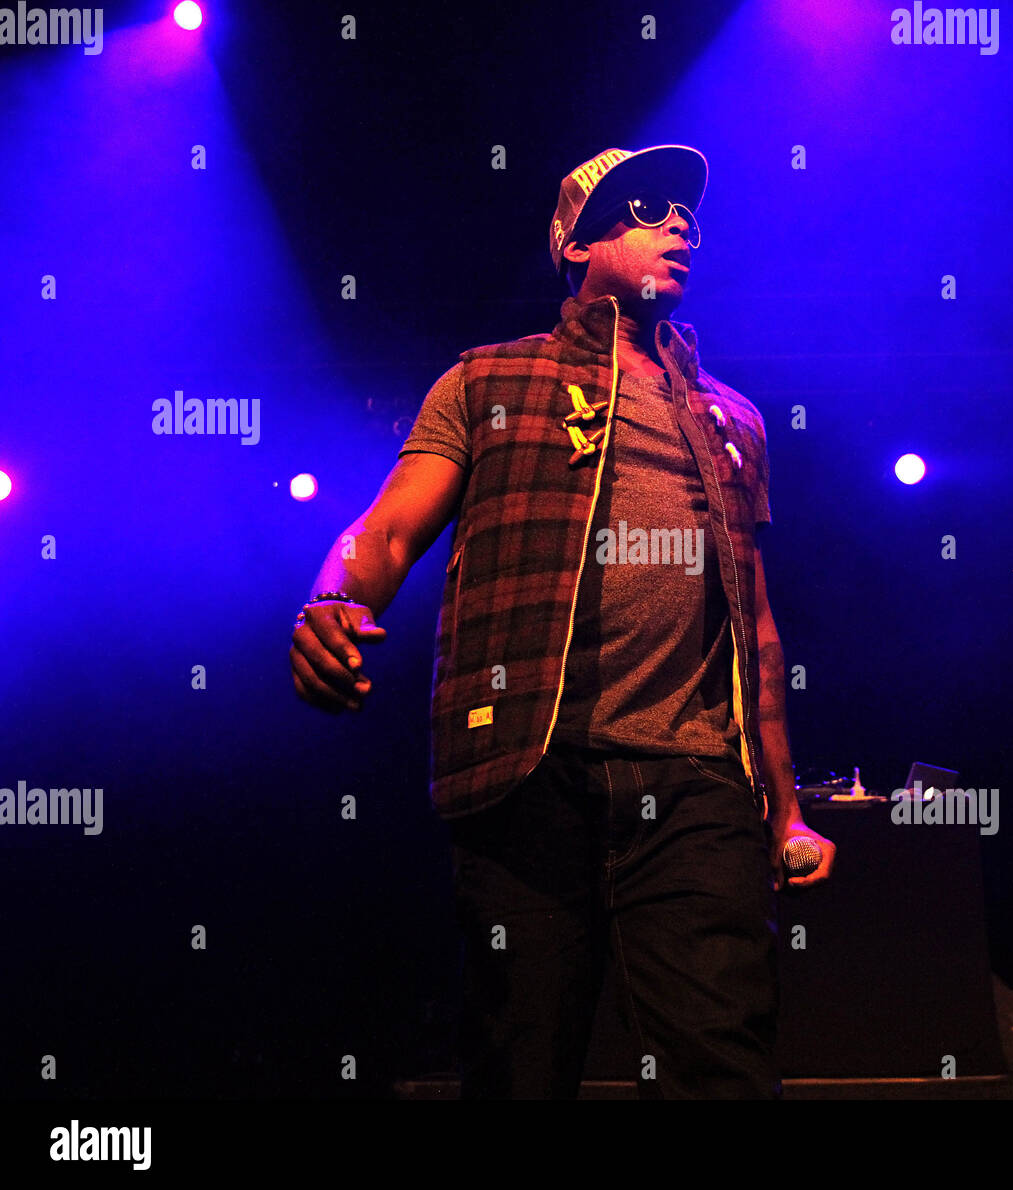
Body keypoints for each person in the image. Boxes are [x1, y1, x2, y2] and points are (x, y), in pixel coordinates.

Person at [289, 145, 835, 1099]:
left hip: (696, 782)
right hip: (530, 773)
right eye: (647, 208)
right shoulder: (488, 382)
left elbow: (756, 621)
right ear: (575, 240)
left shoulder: (731, 418)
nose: (679, 227)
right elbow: (383, 532)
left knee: (722, 1065)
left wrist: (782, 804)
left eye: (689, 218)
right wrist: (334, 600)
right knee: (521, 1065)